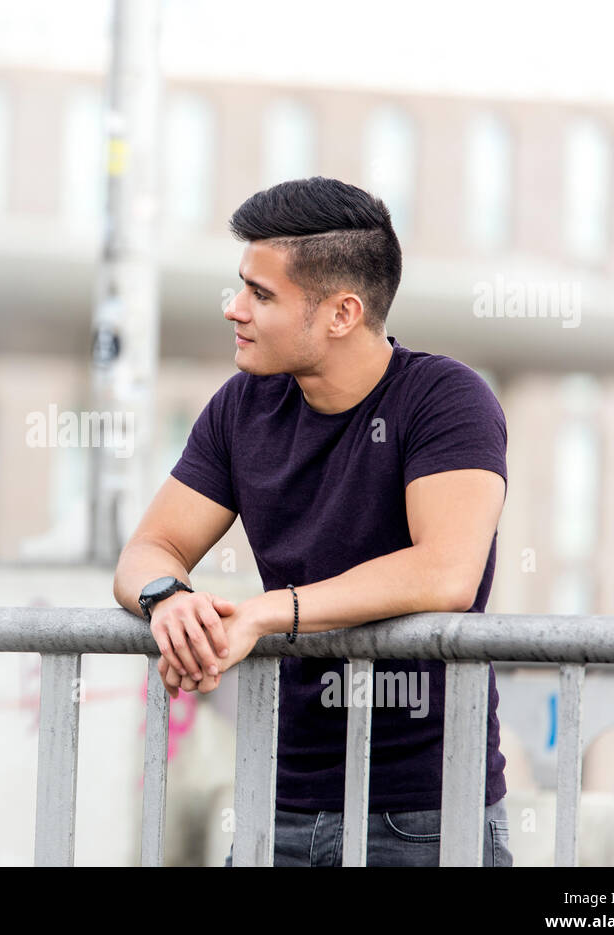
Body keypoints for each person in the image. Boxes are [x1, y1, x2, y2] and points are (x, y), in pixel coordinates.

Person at [112, 177, 512, 866]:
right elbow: (153, 546)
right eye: (241, 286)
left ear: (341, 313)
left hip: (427, 816)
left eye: (261, 295)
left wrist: (267, 613)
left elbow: (446, 571)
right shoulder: (242, 406)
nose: (235, 310)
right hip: (280, 806)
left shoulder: (447, 399)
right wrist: (166, 599)